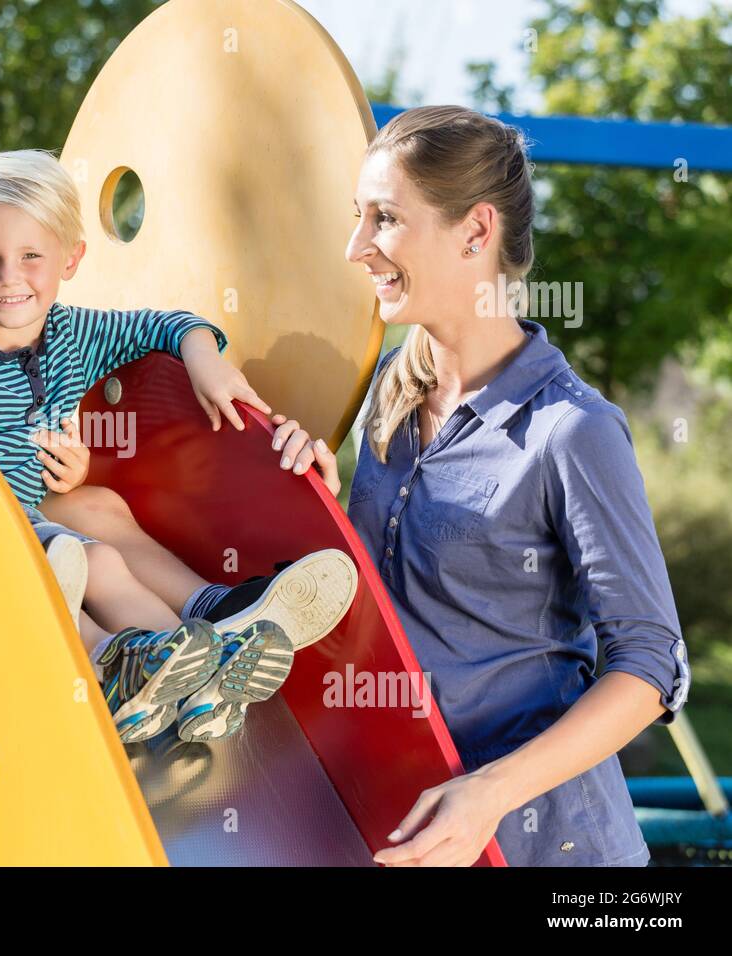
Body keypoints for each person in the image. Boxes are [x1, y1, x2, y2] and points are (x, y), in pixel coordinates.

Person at [256, 105, 689, 866]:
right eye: (357, 218)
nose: (356, 248)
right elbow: (399, 606)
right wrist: (319, 507)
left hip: (552, 848)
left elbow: (650, 666)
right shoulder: (389, 395)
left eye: (384, 219)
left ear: (476, 232)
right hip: (407, 826)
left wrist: (490, 791)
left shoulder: (572, 430)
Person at [0, 150, 357, 743]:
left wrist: (204, 357)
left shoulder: (74, 332)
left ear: (70, 259)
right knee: (87, 560)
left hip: (39, 520)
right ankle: (117, 664)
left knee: (98, 539)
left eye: (32, 257)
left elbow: (168, 324)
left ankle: (197, 665)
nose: (9, 277)